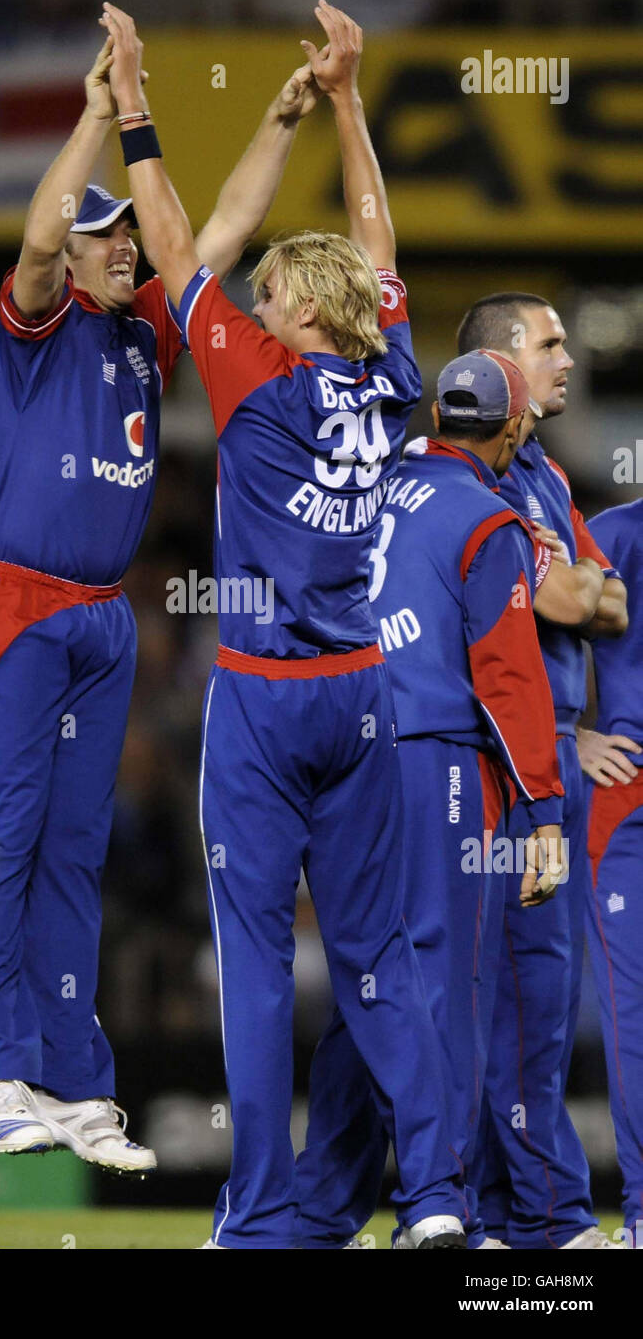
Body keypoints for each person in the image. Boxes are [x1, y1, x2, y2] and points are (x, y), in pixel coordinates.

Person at [103, 0, 468, 1249]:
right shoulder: (389, 369)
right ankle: (429, 1201)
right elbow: (376, 231)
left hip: (263, 701)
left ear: (298, 315)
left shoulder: (257, 380)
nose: (250, 306)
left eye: (268, 295)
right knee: (375, 962)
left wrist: (138, 107)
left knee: (256, 968)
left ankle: (258, 1220)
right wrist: (351, 104)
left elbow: (167, 239)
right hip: (367, 690)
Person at [0, 32, 323, 1162]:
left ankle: (71, 1082)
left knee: (74, 850)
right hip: (16, 602)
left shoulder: (146, 334)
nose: (123, 249)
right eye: (106, 234)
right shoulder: (39, 326)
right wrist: (102, 113)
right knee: (5, 836)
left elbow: (225, 230)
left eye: (123, 235)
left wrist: (284, 116)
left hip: (102, 621)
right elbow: (37, 234)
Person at [295, 351, 582, 1249]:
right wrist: (543, 811)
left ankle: (316, 1212)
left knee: (370, 989)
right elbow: (506, 679)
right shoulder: (484, 517)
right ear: (507, 427)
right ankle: (442, 1202)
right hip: (435, 760)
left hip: (342, 745)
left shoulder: (373, 483)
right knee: (449, 984)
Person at [456, 294, 628, 1248]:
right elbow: (566, 593)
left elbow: (605, 605)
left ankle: (510, 1212)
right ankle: (524, 1213)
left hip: (546, 749)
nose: (567, 358)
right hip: (486, 760)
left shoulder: (547, 478)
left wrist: (571, 734)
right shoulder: (463, 476)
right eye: (550, 343)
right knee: (498, 994)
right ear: (500, 364)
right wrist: (568, 587)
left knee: (539, 1001)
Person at [578, 499, 643, 1244]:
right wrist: (570, 733)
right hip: (628, 796)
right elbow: (508, 630)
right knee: (633, 1018)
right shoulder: (612, 533)